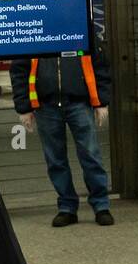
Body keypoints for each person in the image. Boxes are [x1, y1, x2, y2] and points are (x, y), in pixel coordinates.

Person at [10, 41, 114, 226]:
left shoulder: (81, 30)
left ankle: (101, 206)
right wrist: (24, 108)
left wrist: (101, 102)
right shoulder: (34, 32)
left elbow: (100, 67)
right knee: (55, 160)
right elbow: (19, 71)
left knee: (91, 156)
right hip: (45, 105)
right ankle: (67, 207)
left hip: (79, 103)